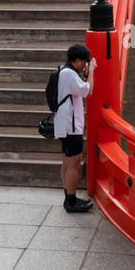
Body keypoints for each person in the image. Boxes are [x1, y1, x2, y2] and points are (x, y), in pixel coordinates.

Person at [53, 43, 95, 213]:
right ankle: (71, 201)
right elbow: (87, 91)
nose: (86, 64)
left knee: (66, 162)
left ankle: (68, 197)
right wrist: (91, 71)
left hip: (65, 125)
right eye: (85, 62)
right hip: (71, 127)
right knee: (74, 163)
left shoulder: (66, 71)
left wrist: (85, 73)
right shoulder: (70, 74)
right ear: (77, 61)